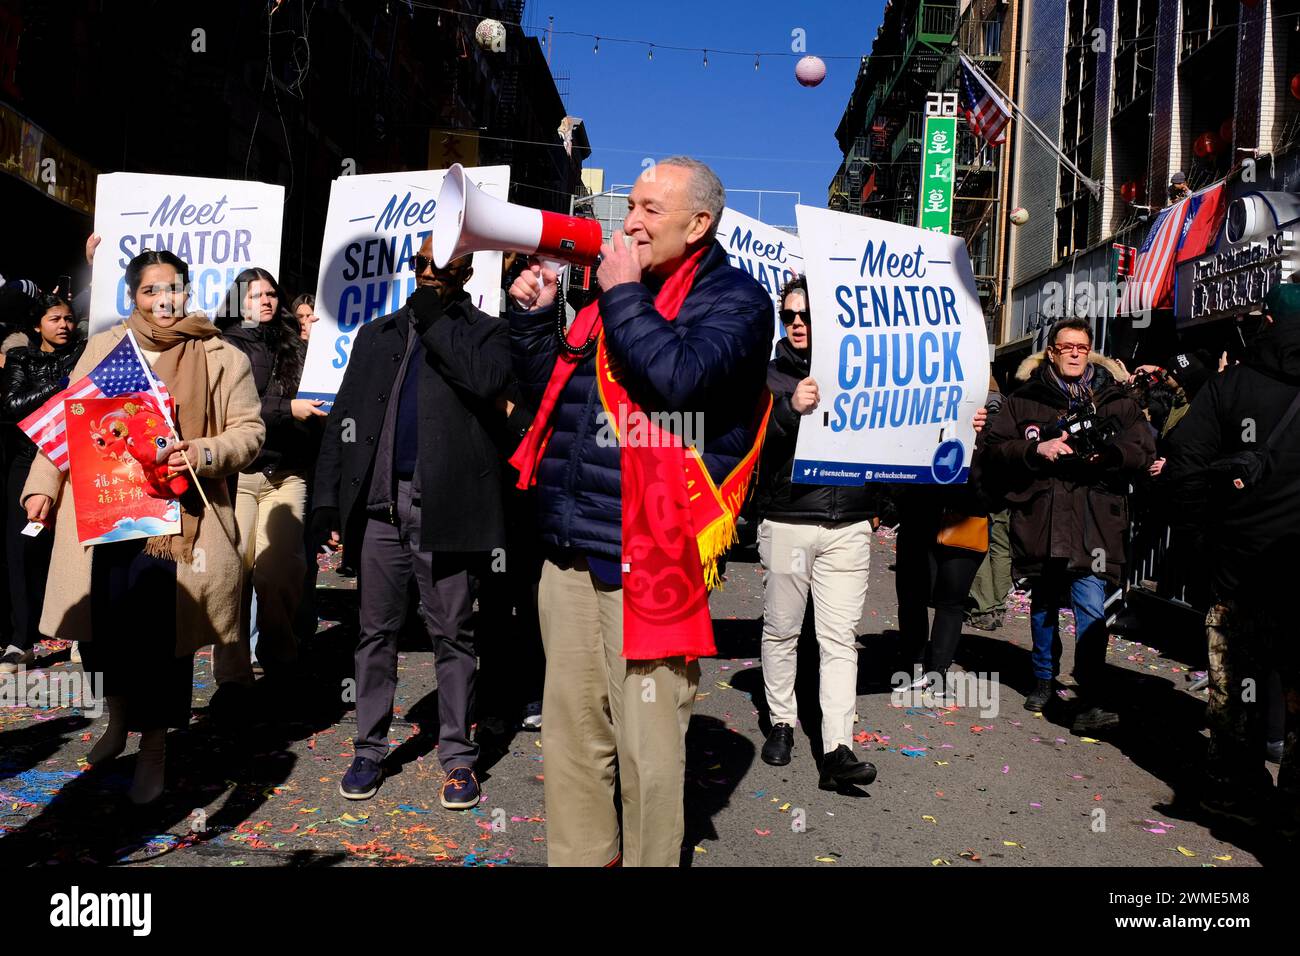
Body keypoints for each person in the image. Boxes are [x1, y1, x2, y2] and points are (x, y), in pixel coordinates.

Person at [508, 156, 773, 866]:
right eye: (631, 207)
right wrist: (534, 324)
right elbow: (555, 407)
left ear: (699, 223)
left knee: (647, 745)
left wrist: (622, 296)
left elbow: (678, 380)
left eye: (652, 210)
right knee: (571, 737)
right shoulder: (610, 301)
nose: (629, 222)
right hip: (571, 546)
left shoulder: (738, 301)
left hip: (650, 556)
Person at [21, 249, 264, 803]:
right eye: (152, 290)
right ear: (133, 297)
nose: (164, 300)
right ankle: (116, 718)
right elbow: (69, 418)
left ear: (188, 291)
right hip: (107, 516)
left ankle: (154, 747)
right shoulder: (108, 347)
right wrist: (43, 484)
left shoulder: (221, 354)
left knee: (162, 640)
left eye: (174, 288)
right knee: (103, 632)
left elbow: (249, 433)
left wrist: (202, 452)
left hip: (180, 526)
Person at [311, 241, 510, 810]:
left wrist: (435, 322)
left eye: (442, 265)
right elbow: (345, 419)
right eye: (421, 264)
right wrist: (328, 500)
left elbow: (487, 383)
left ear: (465, 272)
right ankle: (369, 749)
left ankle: (457, 756)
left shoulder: (484, 332)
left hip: (445, 509)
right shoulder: (378, 335)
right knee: (375, 633)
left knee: (453, 634)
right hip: (379, 507)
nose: (428, 273)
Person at [1163, 282, 1300, 831]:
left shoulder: (1230, 385)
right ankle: (1292, 803)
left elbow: (1183, 466)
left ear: (1268, 323)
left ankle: (1234, 789)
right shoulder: (1230, 383)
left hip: (1237, 569)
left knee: (1235, 689)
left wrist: (1200, 537)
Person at [982, 317, 1153, 733]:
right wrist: (1035, 448)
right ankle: (1043, 678)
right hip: (1043, 517)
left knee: (1091, 607)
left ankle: (1090, 693)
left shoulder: (1116, 400)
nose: (1075, 353)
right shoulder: (1025, 401)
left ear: (1089, 351)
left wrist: (1110, 456)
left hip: (1094, 523)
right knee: (1043, 605)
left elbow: (1144, 447)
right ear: (1052, 352)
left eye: (1082, 347)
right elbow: (993, 448)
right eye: (1066, 347)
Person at [750, 275, 881, 788]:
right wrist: (789, 410)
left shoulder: (863, 375)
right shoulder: (767, 379)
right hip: (788, 519)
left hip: (849, 523)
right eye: (790, 316)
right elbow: (748, 444)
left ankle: (837, 747)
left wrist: (959, 426)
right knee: (782, 629)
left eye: (807, 315)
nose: (798, 323)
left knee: (839, 640)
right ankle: (781, 722)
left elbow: (891, 438)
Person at [212, 268, 326, 711]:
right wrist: (287, 408)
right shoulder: (223, 346)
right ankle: (233, 676)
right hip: (240, 475)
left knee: (279, 571)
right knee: (233, 578)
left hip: (288, 472)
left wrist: (317, 346)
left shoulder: (292, 341)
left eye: (271, 293)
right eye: (255, 293)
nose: (265, 300)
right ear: (238, 301)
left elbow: (322, 391)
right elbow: (231, 407)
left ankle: (279, 657)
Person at [0, 292, 84, 673]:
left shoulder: (84, 352)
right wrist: (63, 385)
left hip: (78, 460)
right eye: (55, 319)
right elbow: (14, 406)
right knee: (22, 550)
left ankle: (82, 632)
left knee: (75, 547)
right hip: (27, 462)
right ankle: (22, 640)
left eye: (68, 318)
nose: (64, 326)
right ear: (38, 326)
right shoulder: (22, 357)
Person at [966, 376, 1012, 631]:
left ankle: (982, 608)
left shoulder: (974, 411)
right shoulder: (1008, 409)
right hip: (1004, 489)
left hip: (977, 487)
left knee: (977, 545)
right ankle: (999, 604)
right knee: (1000, 545)